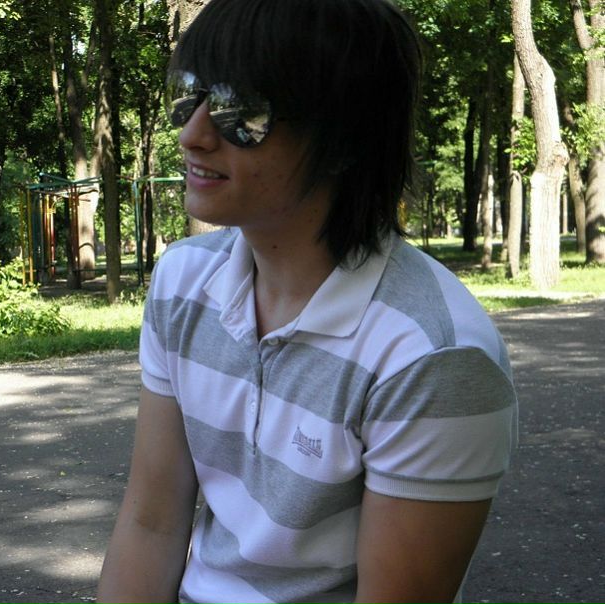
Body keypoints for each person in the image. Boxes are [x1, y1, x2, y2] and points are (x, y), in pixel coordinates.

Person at [97, 0, 518, 602]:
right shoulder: (182, 283)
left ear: (345, 141)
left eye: (242, 112)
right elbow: (151, 522)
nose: (192, 134)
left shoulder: (433, 358)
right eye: (189, 95)